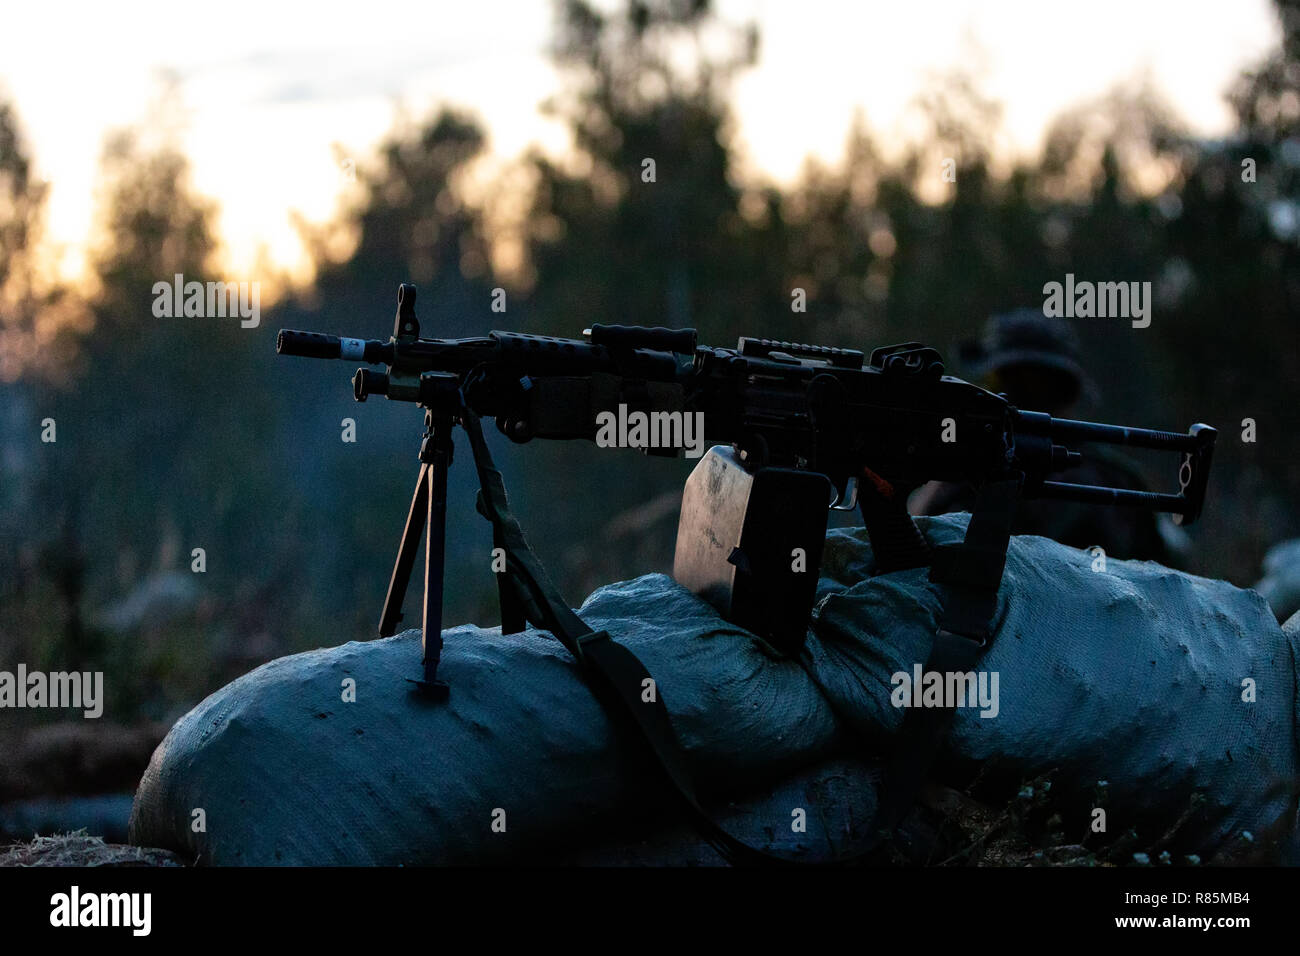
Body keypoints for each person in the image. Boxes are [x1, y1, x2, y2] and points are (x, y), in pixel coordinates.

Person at [909, 309, 1179, 565]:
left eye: (1039, 387)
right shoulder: (1117, 481)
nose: (1026, 398)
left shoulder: (1114, 481)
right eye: (1016, 385)